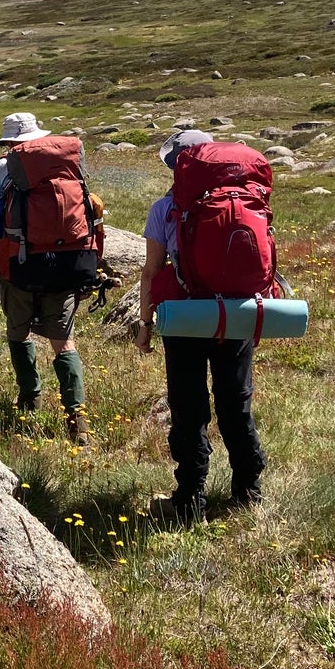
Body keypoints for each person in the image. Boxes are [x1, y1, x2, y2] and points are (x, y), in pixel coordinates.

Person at [137, 128, 268, 525]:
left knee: (189, 407)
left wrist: (145, 324)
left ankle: (190, 497)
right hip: (238, 314)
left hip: (185, 316)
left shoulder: (164, 209)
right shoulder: (251, 199)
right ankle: (248, 490)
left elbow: (151, 271)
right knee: (235, 402)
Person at [0, 112, 98, 440]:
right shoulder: (68, 164)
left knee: (18, 333)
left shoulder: (4, 168)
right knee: (64, 342)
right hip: (67, 268)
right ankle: (77, 418)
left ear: (11, 141)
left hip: (19, 268)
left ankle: (29, 398)